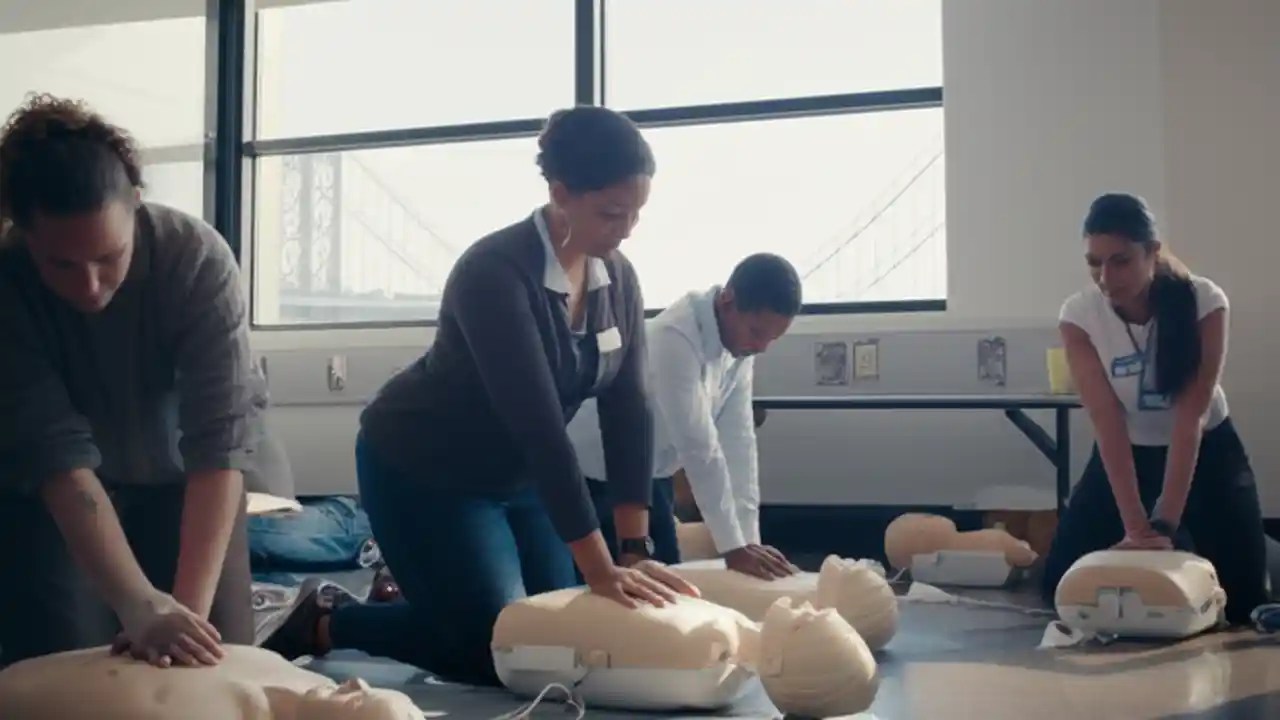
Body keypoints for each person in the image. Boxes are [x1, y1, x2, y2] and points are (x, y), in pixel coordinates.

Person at [263, 106, 698, 686]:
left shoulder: (616, 278)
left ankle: (425, 591)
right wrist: (600, 568)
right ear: (561, 193)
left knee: (561, 640)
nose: (626, 230)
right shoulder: (493, 273)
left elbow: (628, 411)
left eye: (636, 213)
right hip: (426, 471)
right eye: (612, 213)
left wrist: (635, 548)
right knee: (498, 650)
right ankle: (329, 620)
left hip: (519, 483)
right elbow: (540, 427)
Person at [0, 94, 265, 667]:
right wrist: (136, 601)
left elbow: (218, 445)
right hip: (56, 495)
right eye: (62, 266)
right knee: (66, 662)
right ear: (23, 236)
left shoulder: (197, 259)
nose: (90, 287)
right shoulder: (7, 282)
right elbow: (55, 455)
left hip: (184, 479)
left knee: (219, 661)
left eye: (108, 257)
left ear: (137, 207)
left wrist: (182, 619)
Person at [1040, 192, 1269, 625]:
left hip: (1208, 450)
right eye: (1094, 262)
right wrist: (1135, 528)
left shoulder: (1204, 301)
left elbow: (1190, 418)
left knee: (1245, 599)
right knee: (1057, 583)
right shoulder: (1079, 314)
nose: (1106, 277)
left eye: (1121, 260)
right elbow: (1107, 422)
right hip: (1128, 451)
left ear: (1153, 253)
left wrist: (1161, 524)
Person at [566, 253, 804, 579]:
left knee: (666, 583)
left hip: (650, 476)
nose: (761, 347)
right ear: (727, 300)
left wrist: (750, 541)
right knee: (601, 591)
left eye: (772, 339)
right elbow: (699, 446)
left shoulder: (741, 348)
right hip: (591, 476)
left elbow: (739, 444)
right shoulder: (673, 336)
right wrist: (732, 547)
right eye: (757, 332)